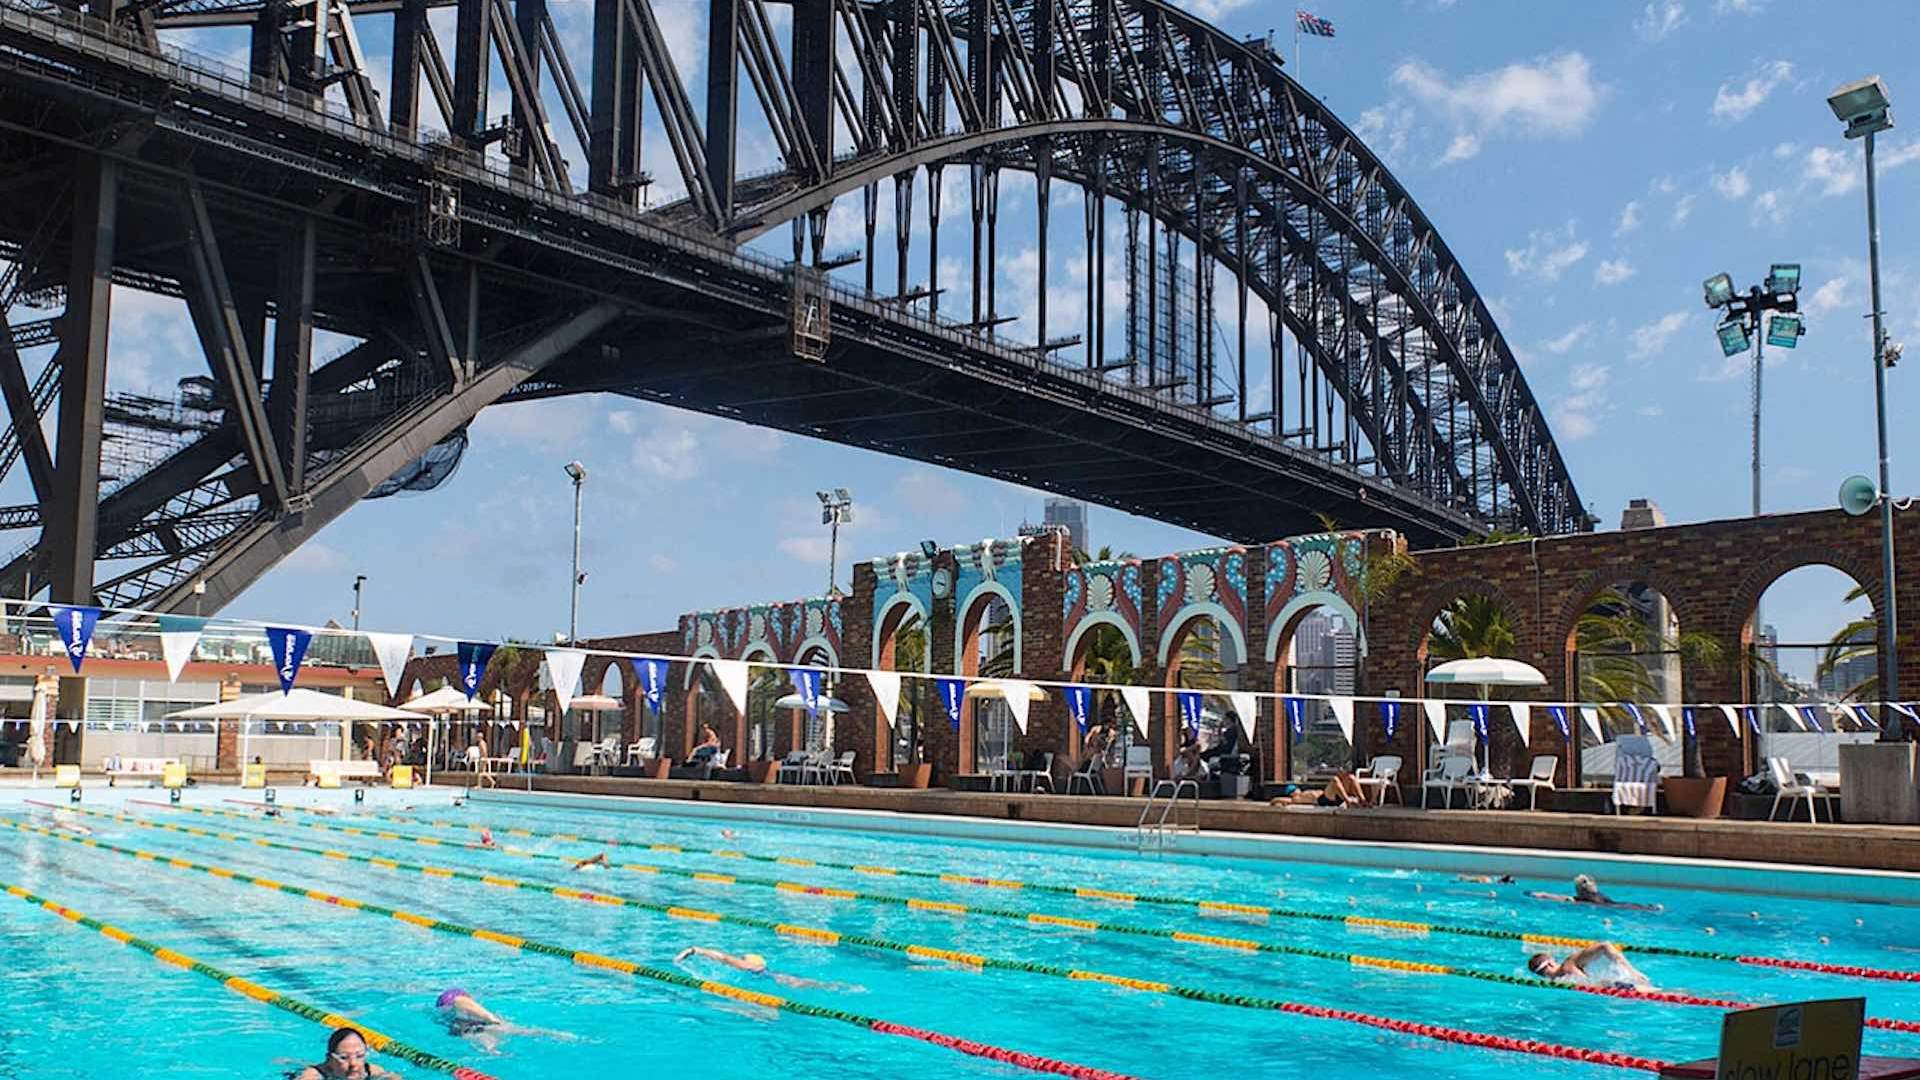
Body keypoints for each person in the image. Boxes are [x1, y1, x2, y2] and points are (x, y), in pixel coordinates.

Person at [675, 946, 833, 990]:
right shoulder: (760, 967)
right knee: (817, 985)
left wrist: (694, 950)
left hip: (777, 979)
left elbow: (722, 957)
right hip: (777, 977)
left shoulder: (748, 966)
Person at [1525, 942, 1651, 989]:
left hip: (1622, 985)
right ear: (1551, 962)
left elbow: (1605, 945)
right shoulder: (1564, 972)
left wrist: (1633, 972)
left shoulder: (1567, 968)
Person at [292, 1027, 398, 1079]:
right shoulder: (313, 1075)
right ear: (329, 1059)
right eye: (344, 1057)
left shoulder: (371, 1071)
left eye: (359, 1056)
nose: (353, 1064)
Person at [1528, 874, 1662, 912]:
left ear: (1579, 890)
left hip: (1614, 909)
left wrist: (1540, 894)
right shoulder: (1599, 895)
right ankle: (1651, 908)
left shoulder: (1581, 899)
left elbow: (1559, 897)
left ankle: (1649, 909)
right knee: (1633, 906)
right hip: (1619, 905)